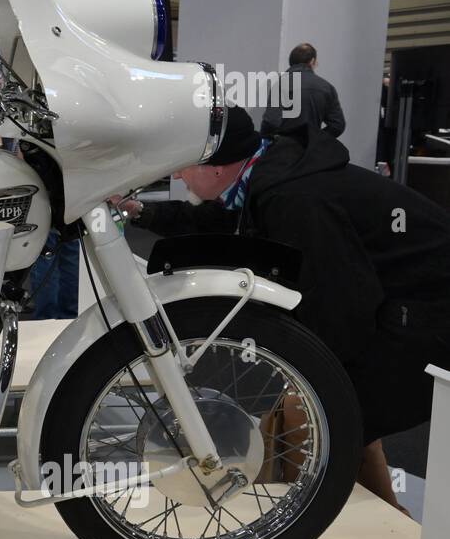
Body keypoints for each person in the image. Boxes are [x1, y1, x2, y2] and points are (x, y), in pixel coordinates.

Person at [118, 104, 450, 510]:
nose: (177, 176)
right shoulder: (271, 177)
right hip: (404, 306)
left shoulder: (294, 198)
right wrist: (141, 211)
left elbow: (342, 303)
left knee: (312, 420)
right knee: (331, 415)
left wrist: (309, 371)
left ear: (217, 169)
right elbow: (219, 225)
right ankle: (368, 515)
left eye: (183, 167)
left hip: (427, 319)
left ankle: (315, 524)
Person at [262, 42, 345, 138]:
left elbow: (271, 122)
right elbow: (338, 125)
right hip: (312, 150)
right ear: (312, 61)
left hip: (284, 149)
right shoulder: (327, 88)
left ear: (291, 62)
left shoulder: (280, 84)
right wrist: (316, 139)